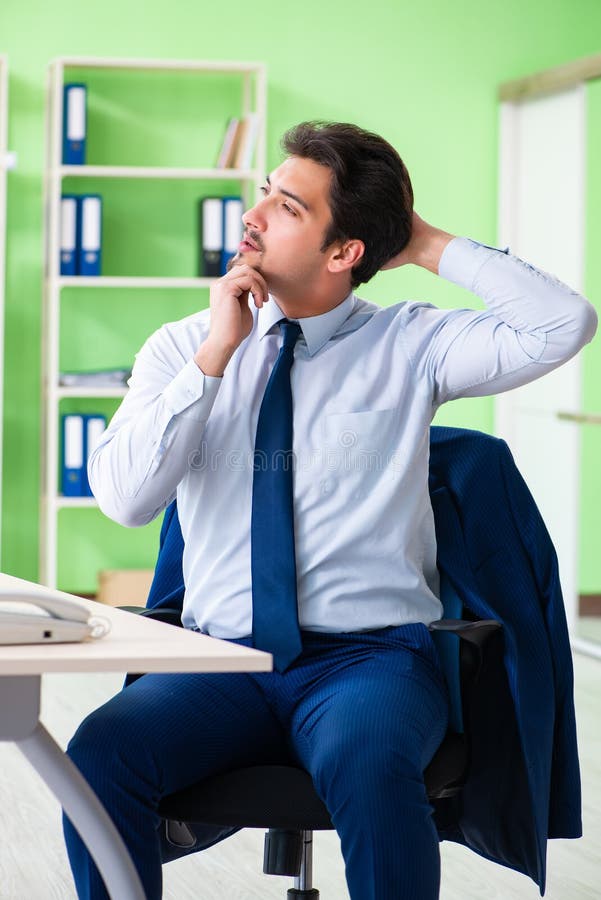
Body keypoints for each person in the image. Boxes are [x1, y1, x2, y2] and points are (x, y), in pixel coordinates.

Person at [63, 121, 597, 900]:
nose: (252, 217)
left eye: (285, 206)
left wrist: (419, 242)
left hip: (369, 659)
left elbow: (564, 323)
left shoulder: (411, 345)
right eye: (263, 195)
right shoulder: (183, 348)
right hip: (223, 659)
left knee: (371, 763)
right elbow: (124, 500)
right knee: (99, 755)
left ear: (344, 251)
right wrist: (215, 358)